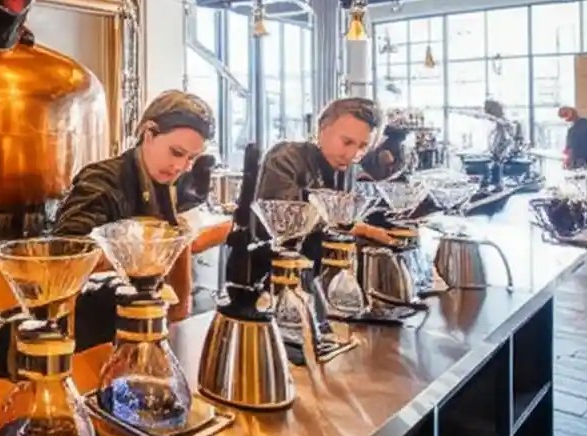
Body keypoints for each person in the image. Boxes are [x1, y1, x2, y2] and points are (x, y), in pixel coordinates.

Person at [53, 90, 234, 318]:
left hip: (153, 318)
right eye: (176, 152)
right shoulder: (100, 180)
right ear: (148, 133)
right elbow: (66, 259)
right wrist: (145, 246)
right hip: (100, 324)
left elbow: (186, 241)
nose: (182, 167)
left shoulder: (173, 182)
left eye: (191, 158)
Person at [256, 97, 394, 255]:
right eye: (347, 142)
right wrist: (363, 230)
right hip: (273, 265)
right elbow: (284, 222)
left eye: (363, 146)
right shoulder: (285, 158)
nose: (352, 155)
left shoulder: (348, 171)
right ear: (322, 129)